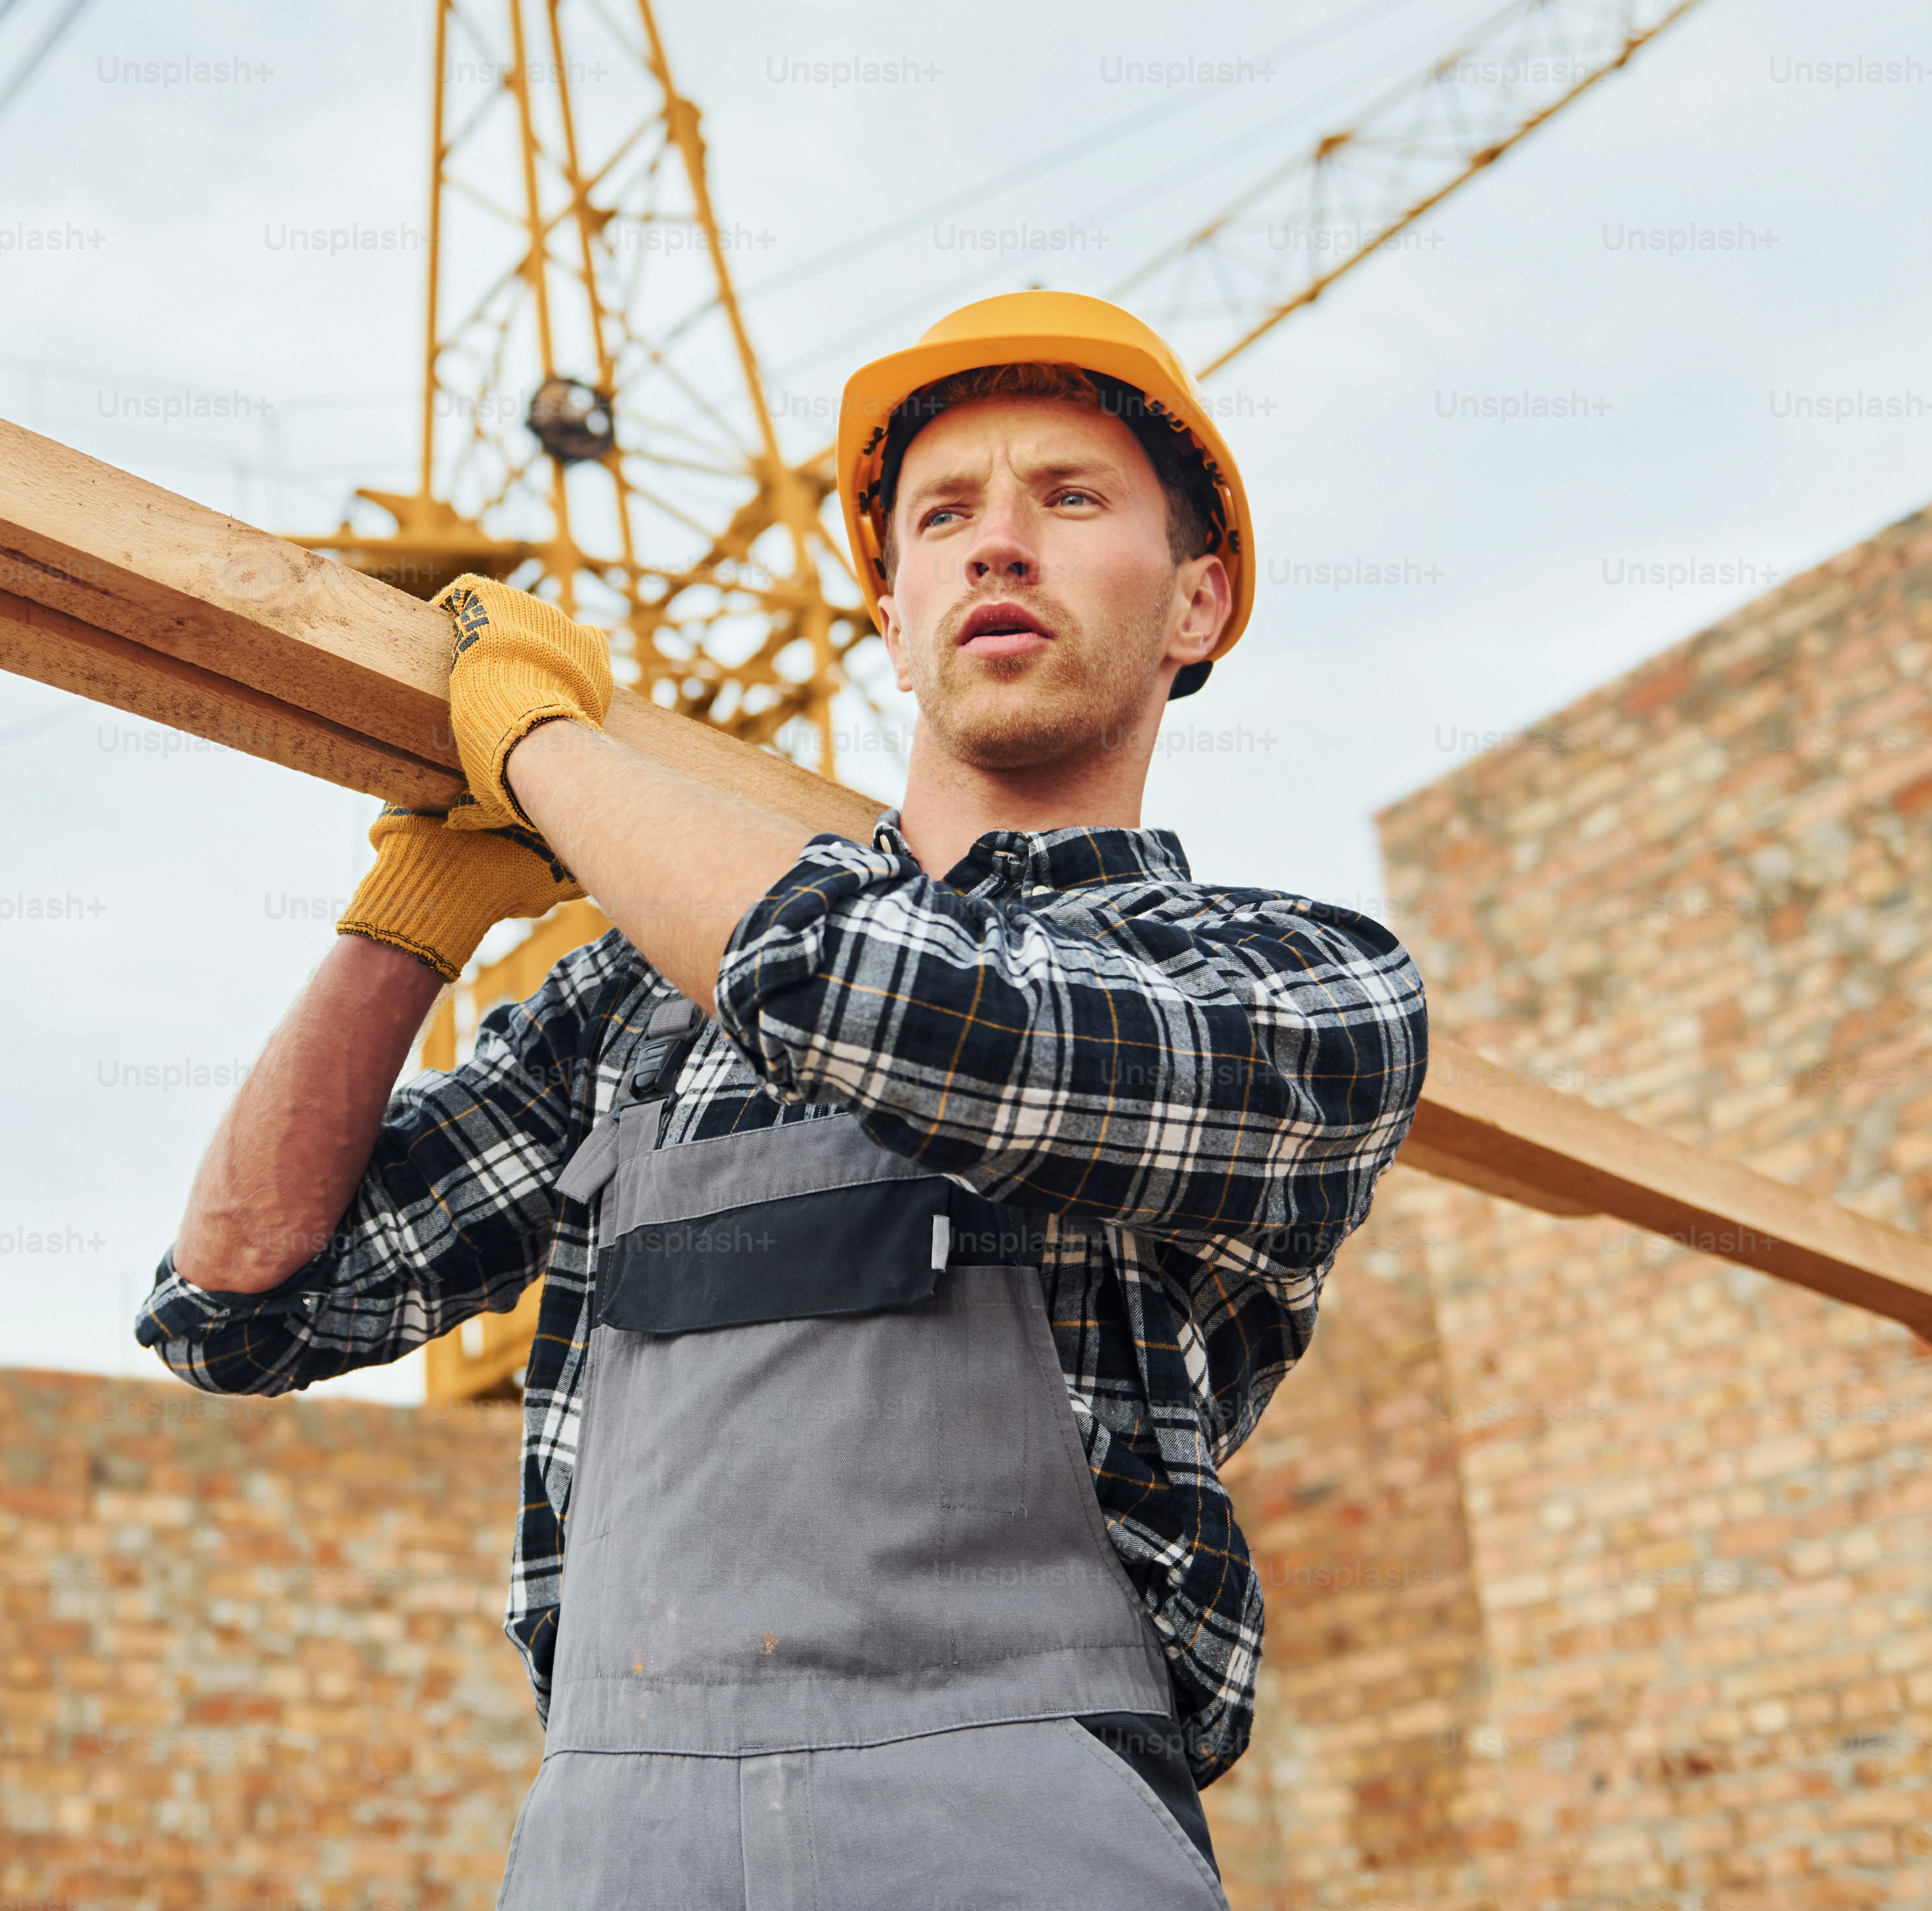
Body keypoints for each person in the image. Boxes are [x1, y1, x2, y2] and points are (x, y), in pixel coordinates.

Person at [135, 292, 1427, 1909]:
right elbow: (241, 1302)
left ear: (1196, 601)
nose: (995, 547)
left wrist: (536, 746)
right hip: (613, 1828)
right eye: (941, 518)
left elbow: (902, 1013)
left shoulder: (1297, 988)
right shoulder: (633, 1002)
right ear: (888, 619)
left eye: (1069, 500)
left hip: (1018, 1827)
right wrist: (412, 916)